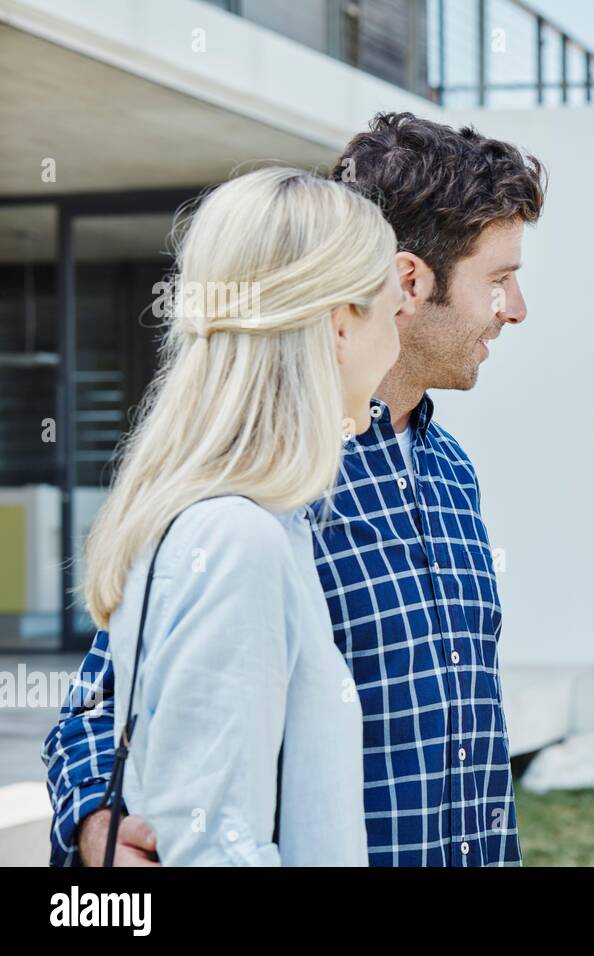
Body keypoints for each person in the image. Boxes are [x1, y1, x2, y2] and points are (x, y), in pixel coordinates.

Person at [43, 113, 546, 866]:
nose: (515, 310)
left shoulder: (452, 471)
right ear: (406, 282)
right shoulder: (267, 485)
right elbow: (105, 699)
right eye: (499, 280)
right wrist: (99, 824)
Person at [77, 166, 407, 864]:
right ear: (341, 324)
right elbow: (216, 849)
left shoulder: (244, 522)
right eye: (390, 306)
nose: (398, 335)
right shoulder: (237, 537)